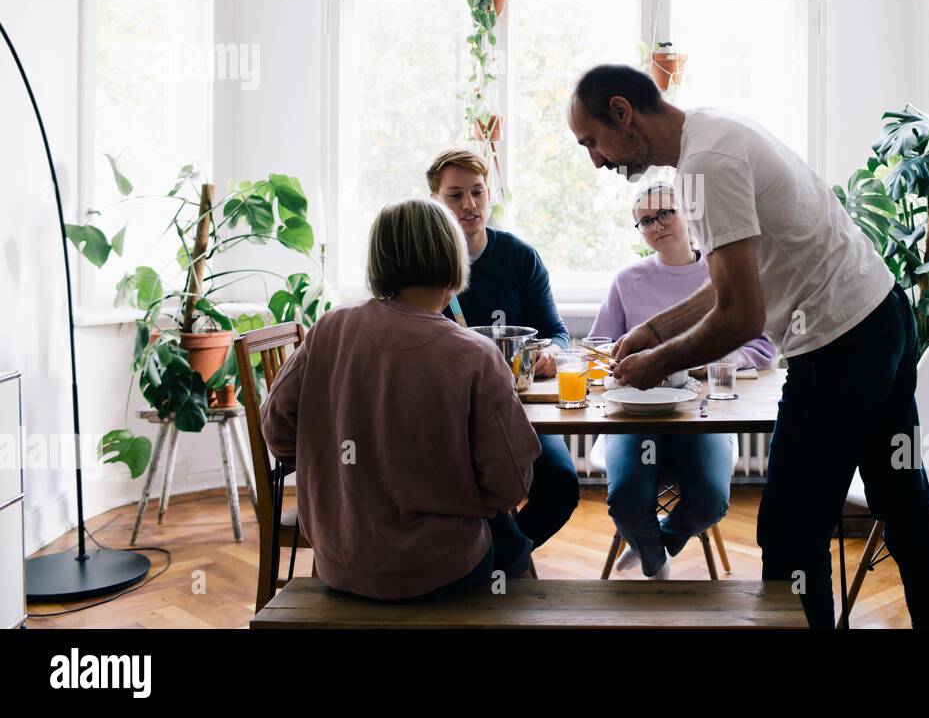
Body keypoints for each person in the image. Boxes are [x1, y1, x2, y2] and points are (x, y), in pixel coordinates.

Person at [567, 64, 929, 629]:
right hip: (882, 315)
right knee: (904, 507)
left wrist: (654, 363)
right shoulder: (710, 134)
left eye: (592, 141)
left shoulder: (704, 167)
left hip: (839, 344)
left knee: (789, 534)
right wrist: (655, 329)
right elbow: (730, 280)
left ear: (620, 111)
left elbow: (741, 315)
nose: (596, 159)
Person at [261, 198, 540, 600]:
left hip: (338, 562)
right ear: (454, 259)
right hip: (440, 568)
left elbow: (278, 432)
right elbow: (509, 484)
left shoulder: (328, 329)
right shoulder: (475, 354)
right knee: (513, 548)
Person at [589, 180, 775, 579]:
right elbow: (598, 346)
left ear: (687, 211)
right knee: (624, 500)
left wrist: (698, 364)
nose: (656, 225)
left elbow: (762, 351)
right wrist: (615, 361)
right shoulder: (627, 280)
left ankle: (657, 544)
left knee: (710, 500)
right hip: (635, 413)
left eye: (664, 213)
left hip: (703, 414)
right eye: (645, 221)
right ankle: (653, 558)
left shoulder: (726, 273)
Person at [426, 148, 579, 549]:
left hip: (519, 408)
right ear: (435, 203)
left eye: (477, 191)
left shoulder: (520, 257)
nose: (470, 204)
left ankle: (502, 561)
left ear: (489, 194)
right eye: (455, 195)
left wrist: (551, 354)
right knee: (460, 481)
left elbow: (557, 333)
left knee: (561, 482)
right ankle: (479, 562)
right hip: (446, 412)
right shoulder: (422, 265)